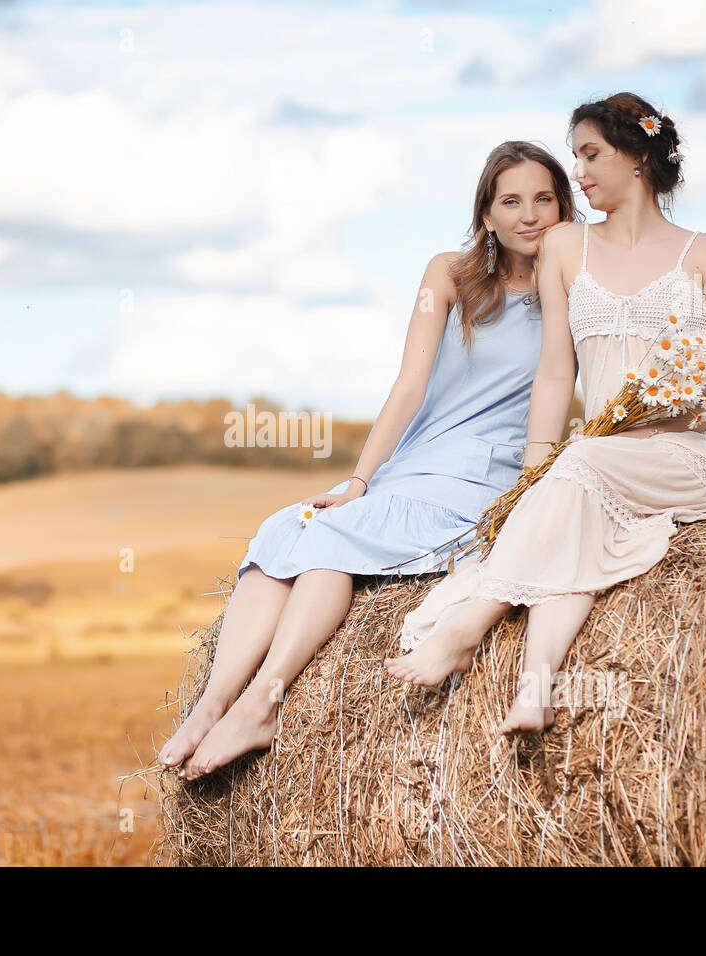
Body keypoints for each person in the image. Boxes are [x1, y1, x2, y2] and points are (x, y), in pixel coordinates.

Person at [160, 141, 581, 779]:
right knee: (286, 529)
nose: (530, 215)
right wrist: (360, 479)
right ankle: (212, 704)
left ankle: (262, 703)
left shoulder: (574, 291)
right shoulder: (448, 274)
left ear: (562, 205)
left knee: (332, 542)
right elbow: (409, 384)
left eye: (544, 199)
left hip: (483, 477)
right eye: (511, 201)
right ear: (486, 215)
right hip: (414, 462)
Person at [383, 93, 706, 738]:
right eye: (576, 157)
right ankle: (533, 692)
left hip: (703, 451)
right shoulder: (567, 247)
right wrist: (534, 473)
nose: (579, 173)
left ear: (639, 156)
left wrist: (652, 417)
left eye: (591, 154)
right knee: (572, 524)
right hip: (604, 456)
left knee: (583, 464)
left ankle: (464, 629)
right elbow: (557, 371)